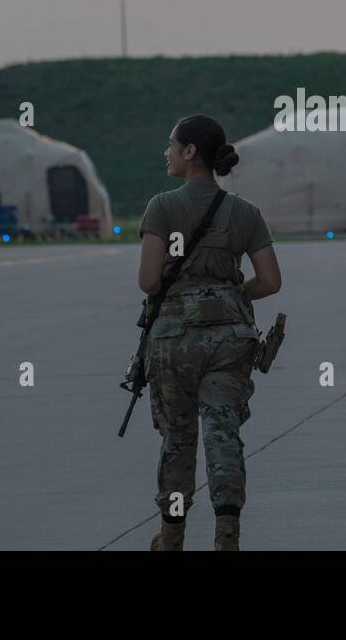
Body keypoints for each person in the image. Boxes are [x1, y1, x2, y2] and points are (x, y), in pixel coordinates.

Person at [137, 114, 281, 551]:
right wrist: (231, 293)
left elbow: (147, 282)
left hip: (174, 341)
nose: (166, 151)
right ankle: (227, 534)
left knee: (178, 440)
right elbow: (270, 281)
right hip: (229, 340)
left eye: (171, 143)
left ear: (190, 151)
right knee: (222, 434)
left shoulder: (161, 207)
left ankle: (172, 535)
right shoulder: (245, 213)